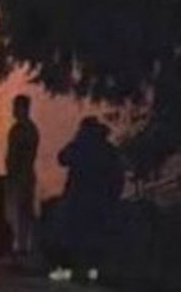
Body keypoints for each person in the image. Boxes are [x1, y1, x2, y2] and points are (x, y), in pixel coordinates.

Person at [49, 116, 124, 283]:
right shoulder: (108, 149)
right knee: (94, 239)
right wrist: (112, 197)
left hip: (78, 200)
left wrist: (74, 141)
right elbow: (118, 177)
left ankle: (76, 273)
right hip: (100, 202)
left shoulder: (80, 146)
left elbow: (62, 158)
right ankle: (92, 274)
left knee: (73, 237)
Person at [5, 94, 39, 256]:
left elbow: (21, 156)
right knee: (21, 212)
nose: (13, 111)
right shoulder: (22, 129)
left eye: (16, 107)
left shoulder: (25, 131)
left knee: (20, 213)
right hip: (21, 177)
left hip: (21, 178)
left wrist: (14, 173)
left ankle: (21, 246)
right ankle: (22, 245)